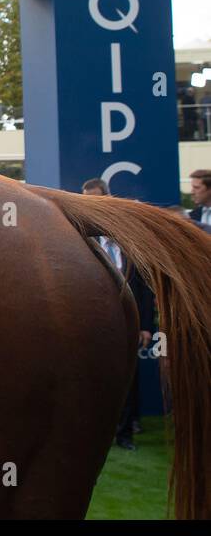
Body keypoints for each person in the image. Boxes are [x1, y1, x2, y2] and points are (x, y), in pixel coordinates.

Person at [82, 178, 157, 451]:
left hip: (129, 323)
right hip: (94, 323)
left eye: (96, 200)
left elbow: (145, 289)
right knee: (93, 379)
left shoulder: (131, 244)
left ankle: (125, 434)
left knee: (128, 379)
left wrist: (145, 326)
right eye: (86, 200)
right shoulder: (83, 244)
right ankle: (95, 434)